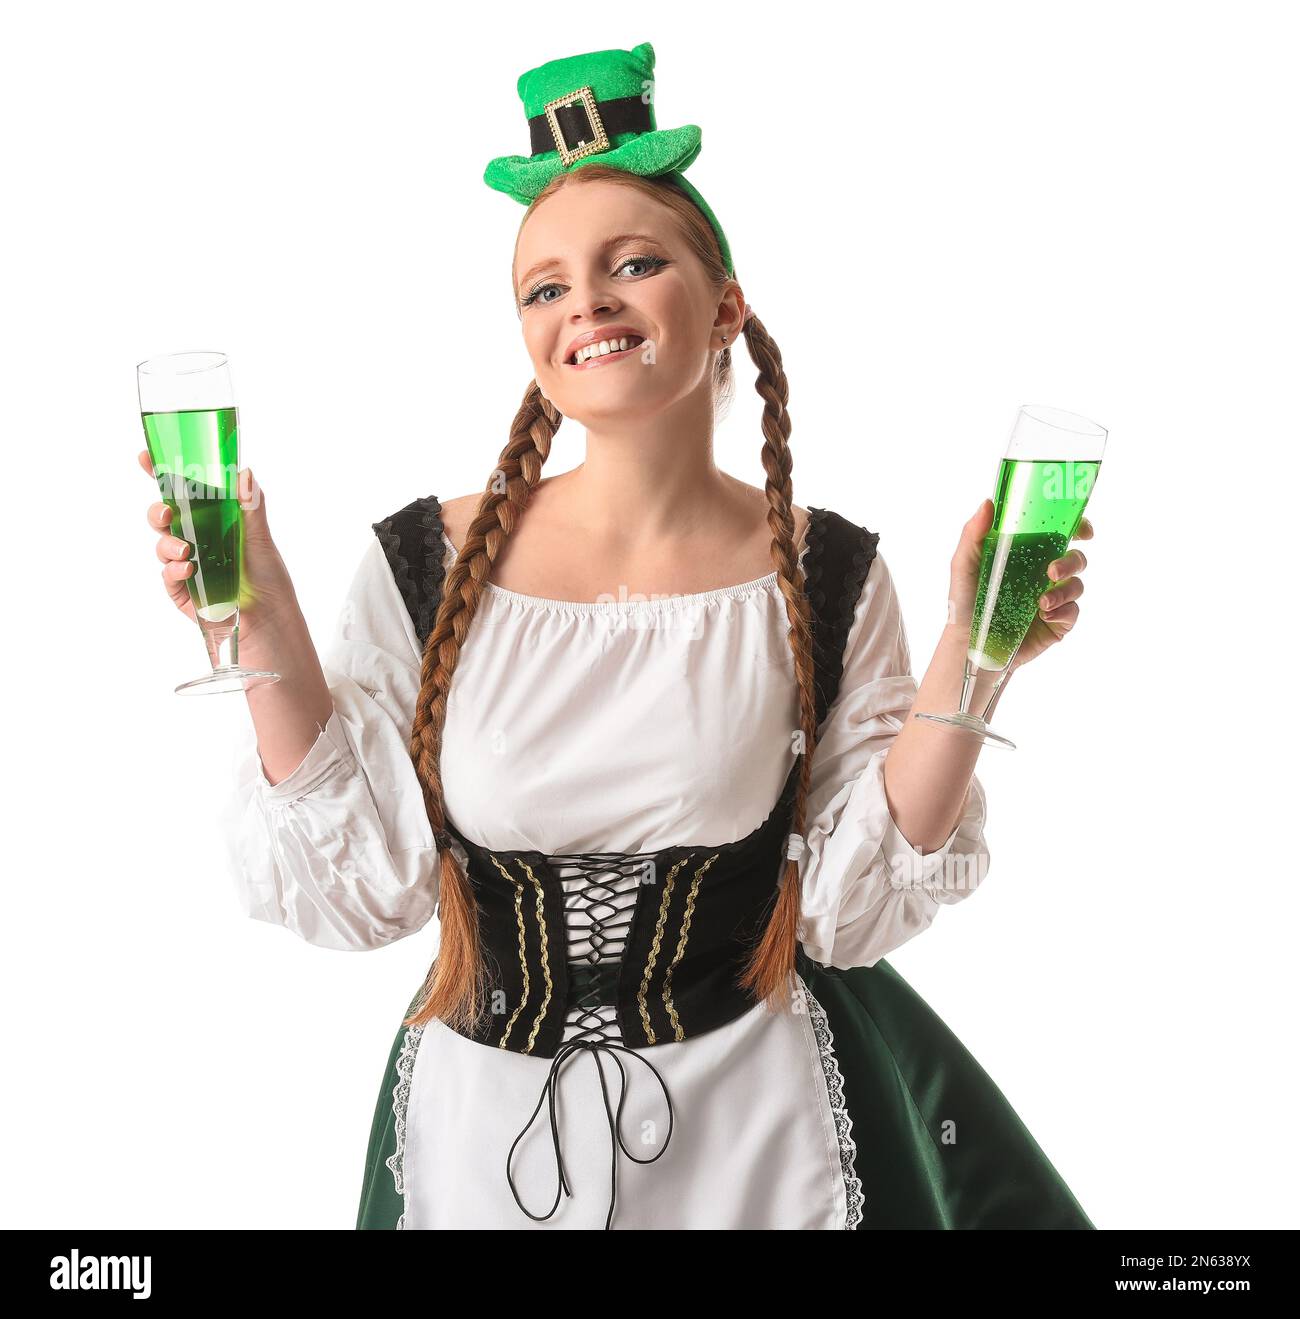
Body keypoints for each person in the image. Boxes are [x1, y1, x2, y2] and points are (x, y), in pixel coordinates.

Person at [141, 41, 1095, 1230]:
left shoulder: (827, 571)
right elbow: (369, 888)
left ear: (726, 307)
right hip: (481, 1136)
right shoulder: (424, 565)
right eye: (543, 286)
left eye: (630, 263)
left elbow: (852, 904)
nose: (583, 302)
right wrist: (259, 608)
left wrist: (978, 647)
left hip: (762, 1123)